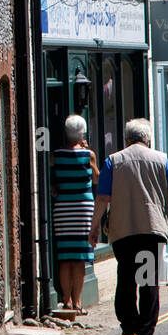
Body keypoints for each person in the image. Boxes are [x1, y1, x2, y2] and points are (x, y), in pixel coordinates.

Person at [88, 118, 168, 335]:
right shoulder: (162, 159)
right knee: (148, 277)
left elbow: (102, 198)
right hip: (152, 227)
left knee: (126, 277)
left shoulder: (113, 161)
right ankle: (146, 329)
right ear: (147, 139)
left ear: (126, 139)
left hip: (123, 229)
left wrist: (93, 228)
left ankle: (129, 325)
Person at [52, 115, 98, 315]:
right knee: (79, 258)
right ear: (82, 134)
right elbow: (97, 178)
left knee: (65, 257)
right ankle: (78, 302)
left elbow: (51, 179)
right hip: (83, 209)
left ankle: (66, 301)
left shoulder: (56, 155)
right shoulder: (89, 155)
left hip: (63, 208)